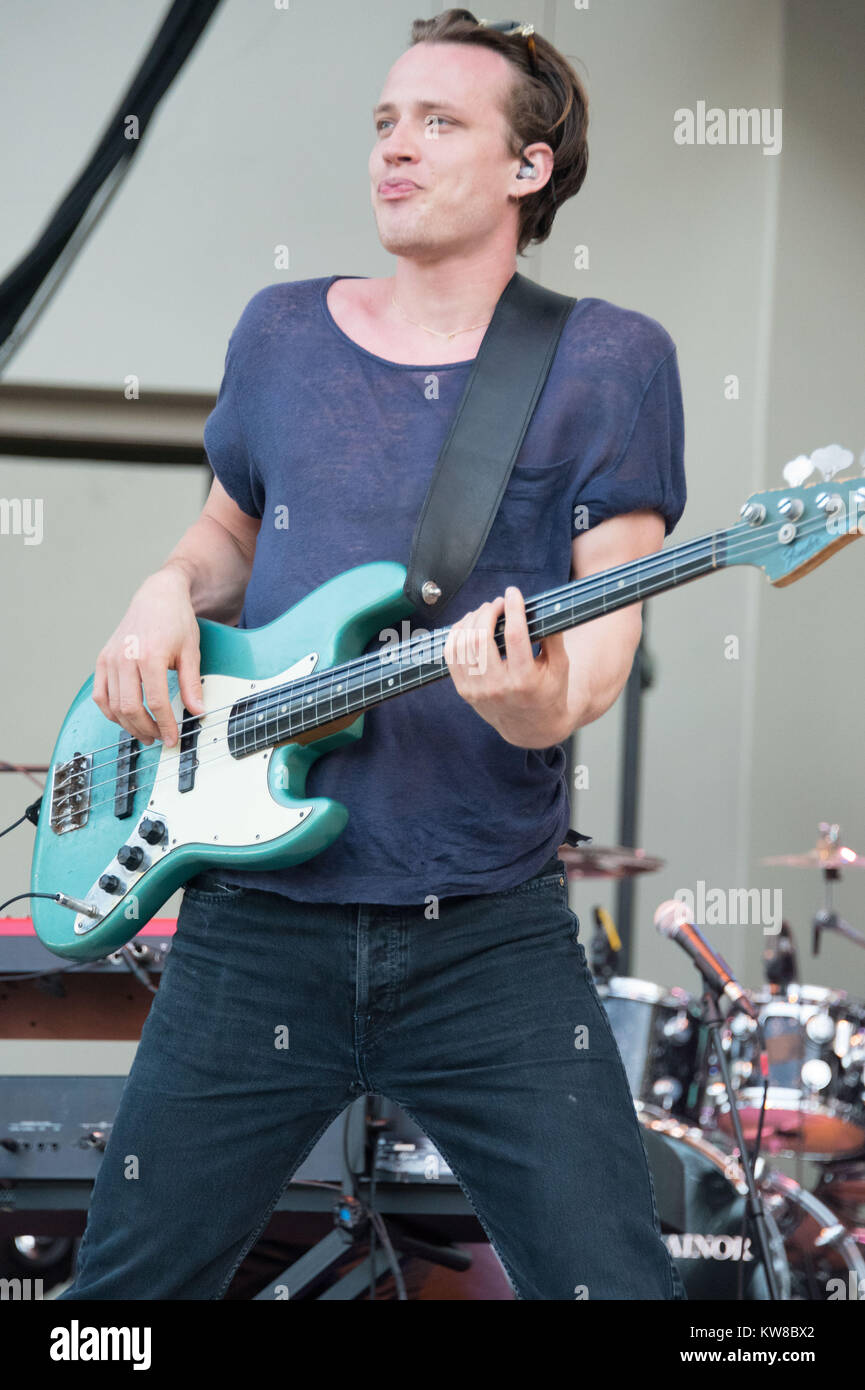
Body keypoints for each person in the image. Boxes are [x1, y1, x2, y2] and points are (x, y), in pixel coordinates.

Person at [59, 10, 686, 1300]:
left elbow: (605, 643)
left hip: (486, 933)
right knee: (118, 1305)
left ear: (530, 167)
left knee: (621, 1289)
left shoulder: (607, 358)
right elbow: (226, 533)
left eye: (439, 123)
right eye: (385, 123)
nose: (394, 150)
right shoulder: (282, 332)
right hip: (252, 926)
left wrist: (531, 710)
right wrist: (161, 591)